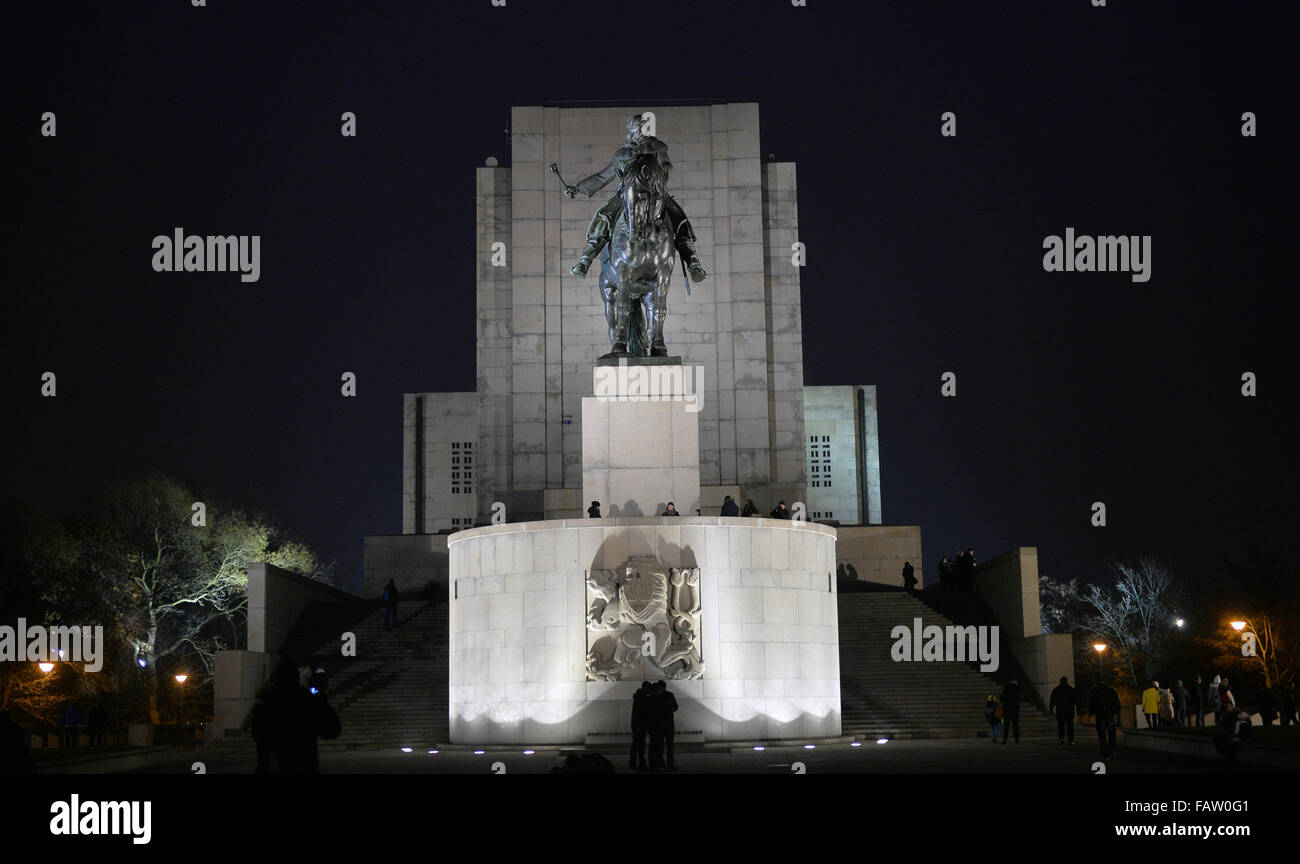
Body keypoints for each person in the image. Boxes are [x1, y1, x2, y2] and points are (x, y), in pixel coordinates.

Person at [564, 113, 707, 283]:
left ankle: (693, 262)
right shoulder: (623, 154)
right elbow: (603, 177)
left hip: (656, 194)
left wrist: (656, 171)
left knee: (679, 219)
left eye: (642, 130)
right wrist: (578, 188)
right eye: (637, 130)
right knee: (604, 216)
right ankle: (585, 259)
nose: (640, 134)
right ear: (631, 132)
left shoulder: (658, 148)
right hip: (627, 195)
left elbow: (667, 168)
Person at [249, 658, 341, 774]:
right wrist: (320, 700)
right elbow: (332, 730)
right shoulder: (307, 704)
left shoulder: (265, 704)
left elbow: (256, 734)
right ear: (296, 679)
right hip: (303, 765)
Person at [1089, 680, 1122, 758]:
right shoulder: (1111, 691)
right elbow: (1117, 704)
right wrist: (1113, 711)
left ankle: (1104, 752)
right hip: (1109, 716)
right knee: (1112, 735)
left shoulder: (1094, 691)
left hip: (1100, 716)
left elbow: (1091, 704)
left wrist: (1093, 712)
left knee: (1102, 736)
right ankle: (1112, 750)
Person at [644, 682, 665, 771]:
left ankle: (653, 764)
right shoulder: (657, 699)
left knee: (654, 745)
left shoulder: (649, 699)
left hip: (653, 726)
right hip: (657, 726)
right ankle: (658, 764)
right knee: (658, 746)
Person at [658, 681, 679, 770]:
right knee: (668, 745)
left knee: (664, 745)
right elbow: (675, 707)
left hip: (663, 724)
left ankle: (665, 763)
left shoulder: (660, 696)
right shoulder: (668, 695)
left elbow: (675, 707)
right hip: (667, 724)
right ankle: (669, 763)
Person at [1050, 676, 1076, 744]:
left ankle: (1061, 738)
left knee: (1061, 725)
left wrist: (1051, 709)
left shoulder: (1056, 690)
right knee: (1070, 726)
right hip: (1069, 710)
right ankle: (1071, 740)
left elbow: (1053, 700)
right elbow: (1076, 700)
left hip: (1060, 710)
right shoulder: (1071, 690)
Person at [629, 682, 649, 770]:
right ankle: (639, 763)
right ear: (645, 688)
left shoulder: (638, 696)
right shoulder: (642, 697)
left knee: (636, 745)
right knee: (639, 745)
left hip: (637, 724)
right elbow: (640, 712)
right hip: (639, 725)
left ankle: (634, 763)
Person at [1000, 679, 1022, 744]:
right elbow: (1021, 697)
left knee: (1006, 725)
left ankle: (1005, 739)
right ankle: (1016, 740)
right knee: (1015, 725)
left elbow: (1001, 698)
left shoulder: (1006, 689)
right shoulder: (1018, 689)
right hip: (1015, 709)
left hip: (1006, 709)